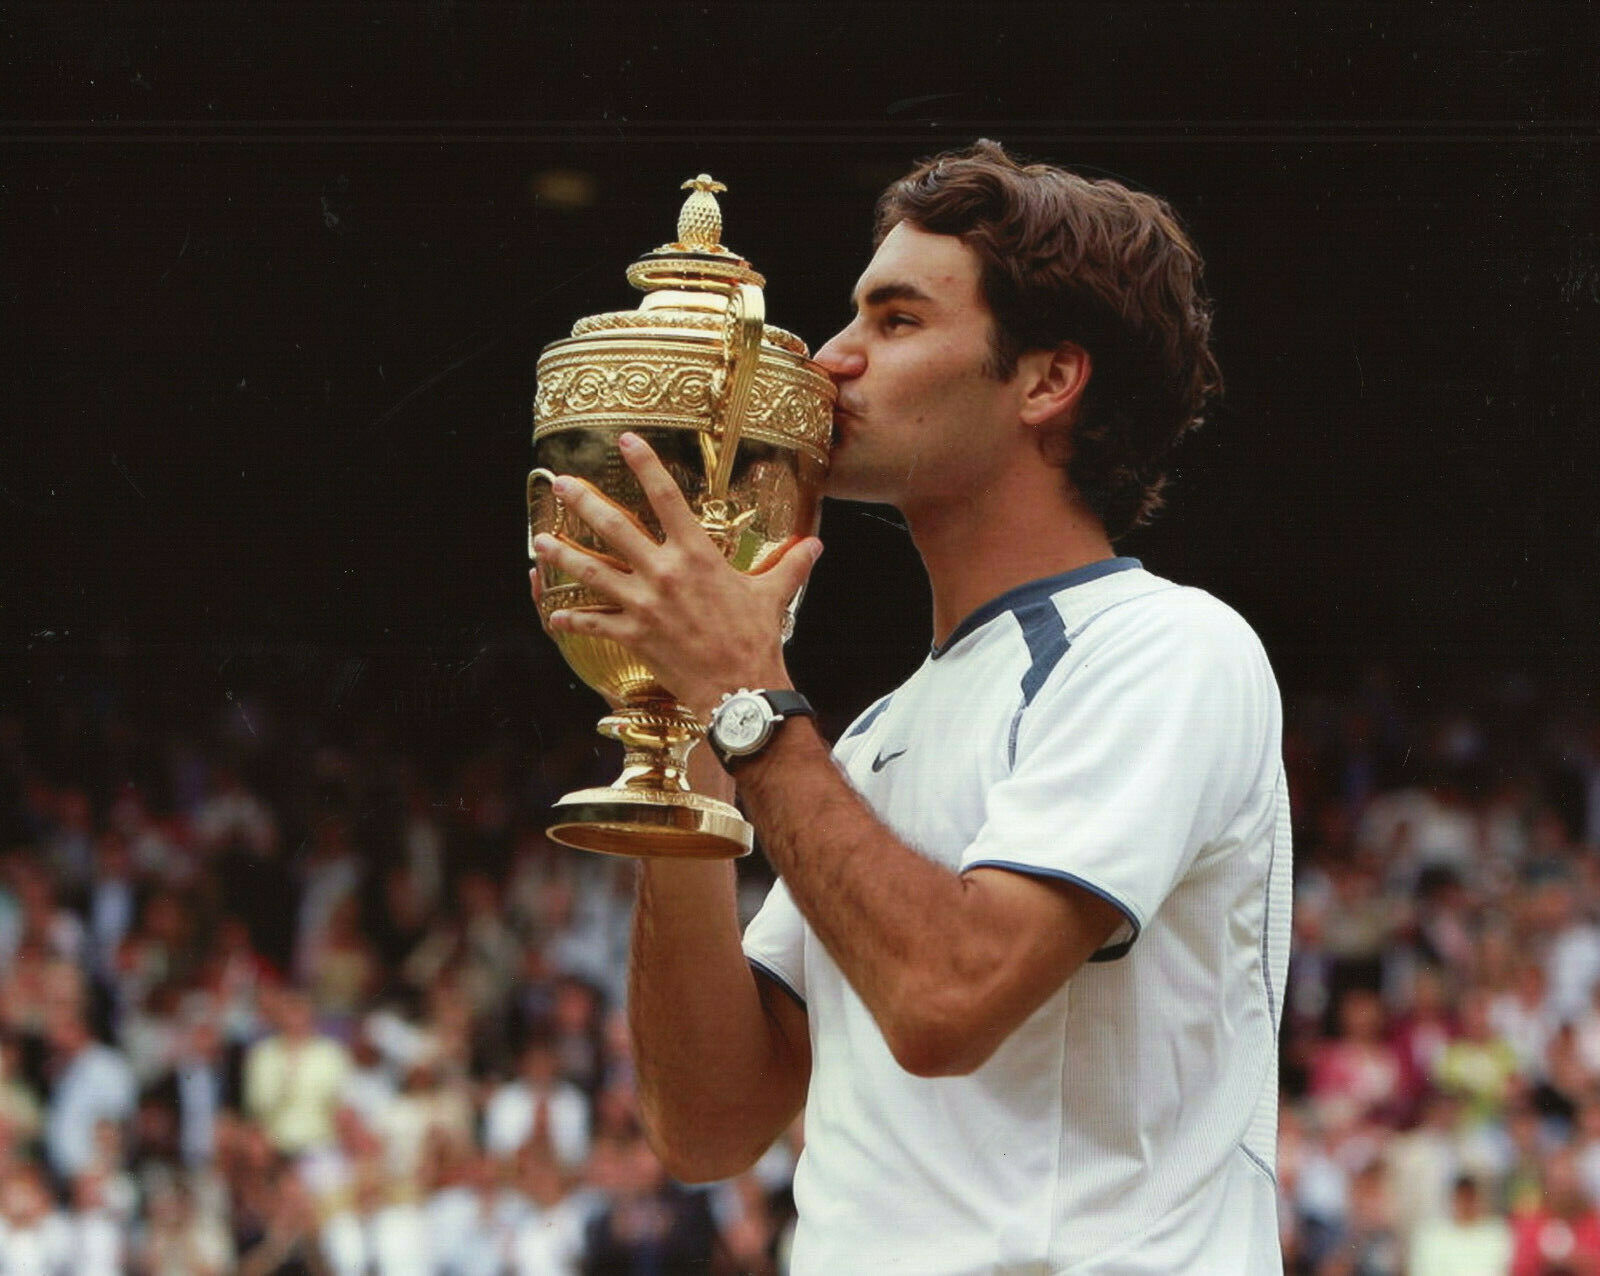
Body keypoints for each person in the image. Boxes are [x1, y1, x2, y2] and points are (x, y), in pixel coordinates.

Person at [532, 140, 1291, 1274]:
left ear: (1045, 379)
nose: (829, 358)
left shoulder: (1168, 648)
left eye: (894, 321)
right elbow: (708, 1123)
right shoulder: (876, 731)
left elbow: (946, 999)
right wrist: (679, 728)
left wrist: (746, 699)